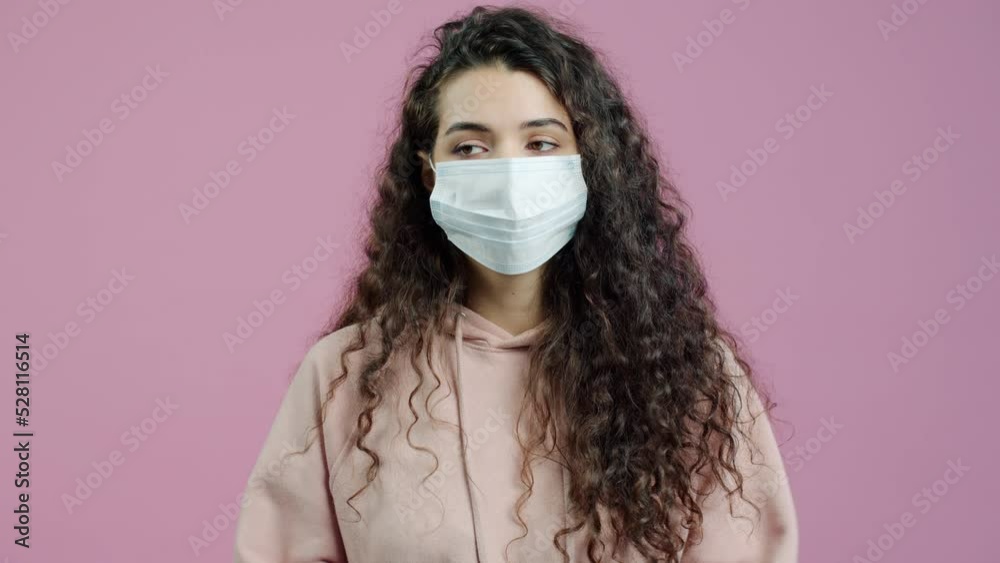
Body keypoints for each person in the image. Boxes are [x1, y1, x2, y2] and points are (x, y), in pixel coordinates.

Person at [233, 5, 798, 562]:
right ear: (431, 174)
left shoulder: (691, 376)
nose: (508, 172)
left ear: (588, 164)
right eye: (471, 147)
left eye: (541, 143)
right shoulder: (343, 377)